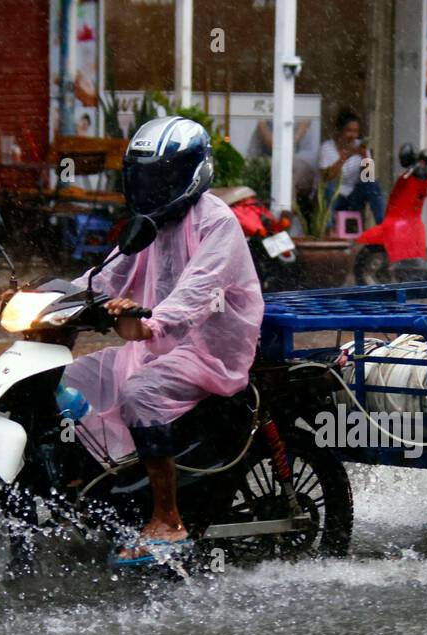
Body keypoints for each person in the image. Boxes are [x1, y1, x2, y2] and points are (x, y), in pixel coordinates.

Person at [62, 116, 264, 565]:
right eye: (145, 178)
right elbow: (106, 276)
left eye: (162, 177)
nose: (152, 188)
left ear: (190, 174)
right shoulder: (148, 224)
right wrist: (52, 301)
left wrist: (151, 321)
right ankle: (82, 485)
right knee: (68, 380)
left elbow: (195, 292)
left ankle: (167, 519)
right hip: (154, 343)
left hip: (208, 350)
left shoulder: (218, 223)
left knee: (140, 394)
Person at [319, 108, 386, 226]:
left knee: (372, 185)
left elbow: (368, 178)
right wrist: (344, 157)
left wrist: (364, 155)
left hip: (353, 198)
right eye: (349, 131)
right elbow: (327, 177)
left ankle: (383, 226)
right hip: (335, 197)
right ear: (339, 131)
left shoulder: (361, 147)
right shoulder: (327, 147)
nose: (353, 135)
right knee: (327, 188)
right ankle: (329, 230)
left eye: (356, 131)